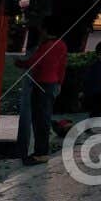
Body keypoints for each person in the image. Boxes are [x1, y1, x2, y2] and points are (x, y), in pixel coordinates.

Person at [16, 23, 68, 164]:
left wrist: (19, 63)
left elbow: (33, 62)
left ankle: (41, 153)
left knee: (40, 119)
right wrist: (59, 83)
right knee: (44, 117)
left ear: (46, 30)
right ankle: (41, 151)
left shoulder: (46, 46)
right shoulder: (61, 45)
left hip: (41, 85)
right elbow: (62, 66)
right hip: (52, 84)